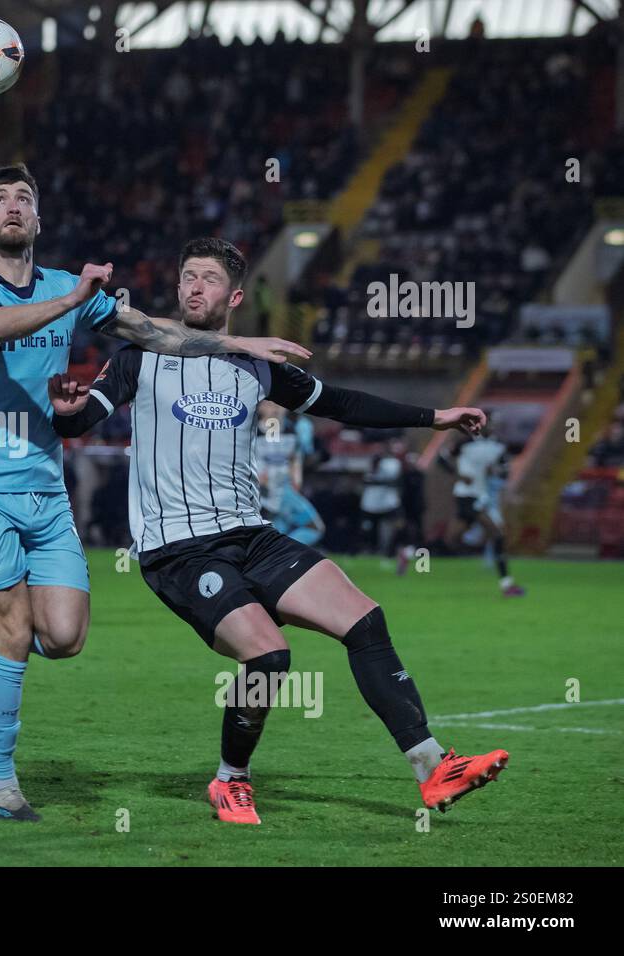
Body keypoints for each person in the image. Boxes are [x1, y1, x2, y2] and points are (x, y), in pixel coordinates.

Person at [50, 237, 508, 825]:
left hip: (251, 534)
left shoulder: (259, 363)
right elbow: (85, 418)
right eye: (188, 275)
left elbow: (340, 403)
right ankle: (230, 781)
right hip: (179, 550)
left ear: (235, 295)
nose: (194, 286)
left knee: (365, 620)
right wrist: (67, 410)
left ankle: (432, 767)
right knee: (269, 658)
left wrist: (435, 418)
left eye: (209, 279)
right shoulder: (142, 353)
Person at [0, 166, 311, 821]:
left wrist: (241, 341)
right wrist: (77, 300)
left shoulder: (60, 284)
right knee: (15, 634)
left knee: (65, 637)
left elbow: (155, 334)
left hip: (46, 487)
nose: (13, 207)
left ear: (39, 220)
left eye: (25, 198)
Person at [437, 426, 525, 596]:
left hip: (478, 495)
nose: (489, 426)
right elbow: (441, 459)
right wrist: (458, 475)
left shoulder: (496, 446)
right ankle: (507, 585)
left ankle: (410, 551)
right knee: (497, 534)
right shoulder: (464, 443)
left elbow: (504, 471)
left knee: (452, 539)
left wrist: (495, 471)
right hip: (466, 496)